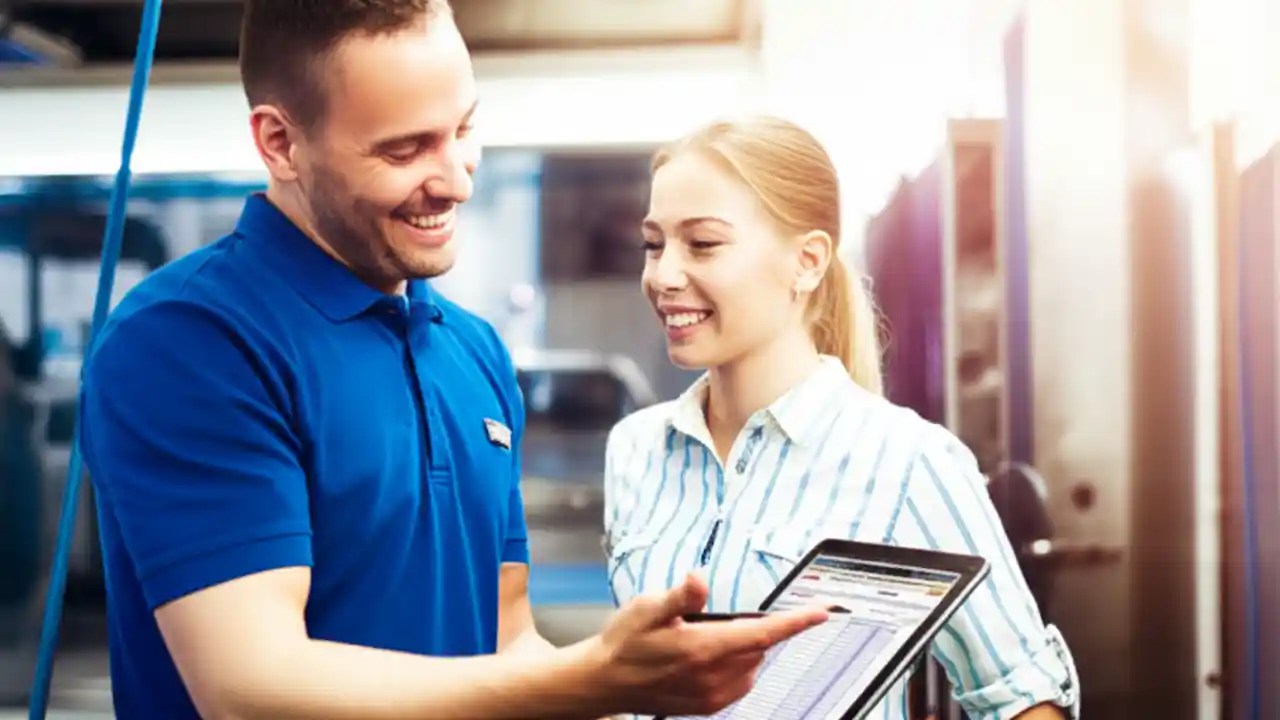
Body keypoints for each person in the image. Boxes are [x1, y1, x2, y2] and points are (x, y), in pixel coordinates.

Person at [77, 4, 829, 719]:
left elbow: (509, 640)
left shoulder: (471, 351)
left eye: (463, 128)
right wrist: (596, 675)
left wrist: (634, 695)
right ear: (280, 143)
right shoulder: (190, 340)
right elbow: (251, 690)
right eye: (404, 150)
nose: (458, 179)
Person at [603, 116, 1081, 719]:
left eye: (702, 244)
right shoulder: (636, 450)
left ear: (807, 261)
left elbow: (1023, 696)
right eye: (654, 245)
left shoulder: (909, 462)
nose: (663, 275)